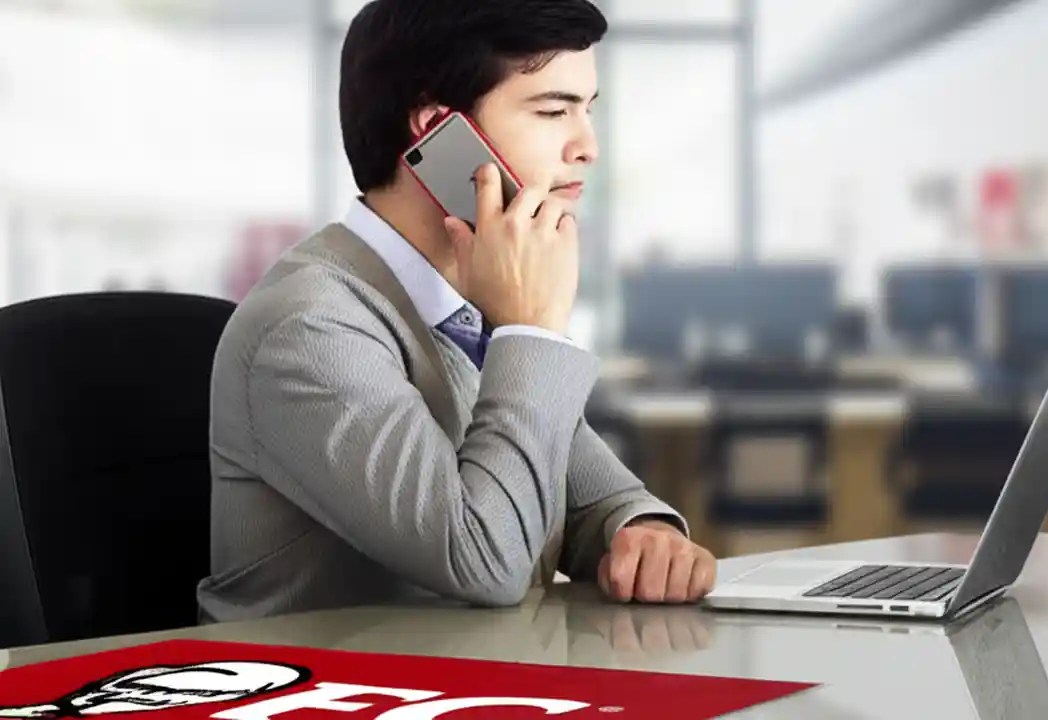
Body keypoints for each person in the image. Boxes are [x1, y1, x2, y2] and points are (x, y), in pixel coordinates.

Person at [196, 0, 717, 622]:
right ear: (438, 131)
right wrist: (531, 330)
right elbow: (488, 560)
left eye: (588, 109)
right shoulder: (309, 326)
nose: (587, 147)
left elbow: (584, 498)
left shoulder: (467, 299)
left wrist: (644, 532)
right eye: (554, 111)